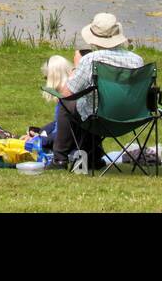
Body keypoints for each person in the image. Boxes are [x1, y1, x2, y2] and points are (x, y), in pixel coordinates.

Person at [48, 13, 143, 170]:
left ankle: (59, 159)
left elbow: (68, 93)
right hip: (131, 117)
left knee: (69, 104)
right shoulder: (136, 60)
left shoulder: (90, 59)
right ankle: (93, 156)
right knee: (93, 102)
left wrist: (77, 66)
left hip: (100, 117)